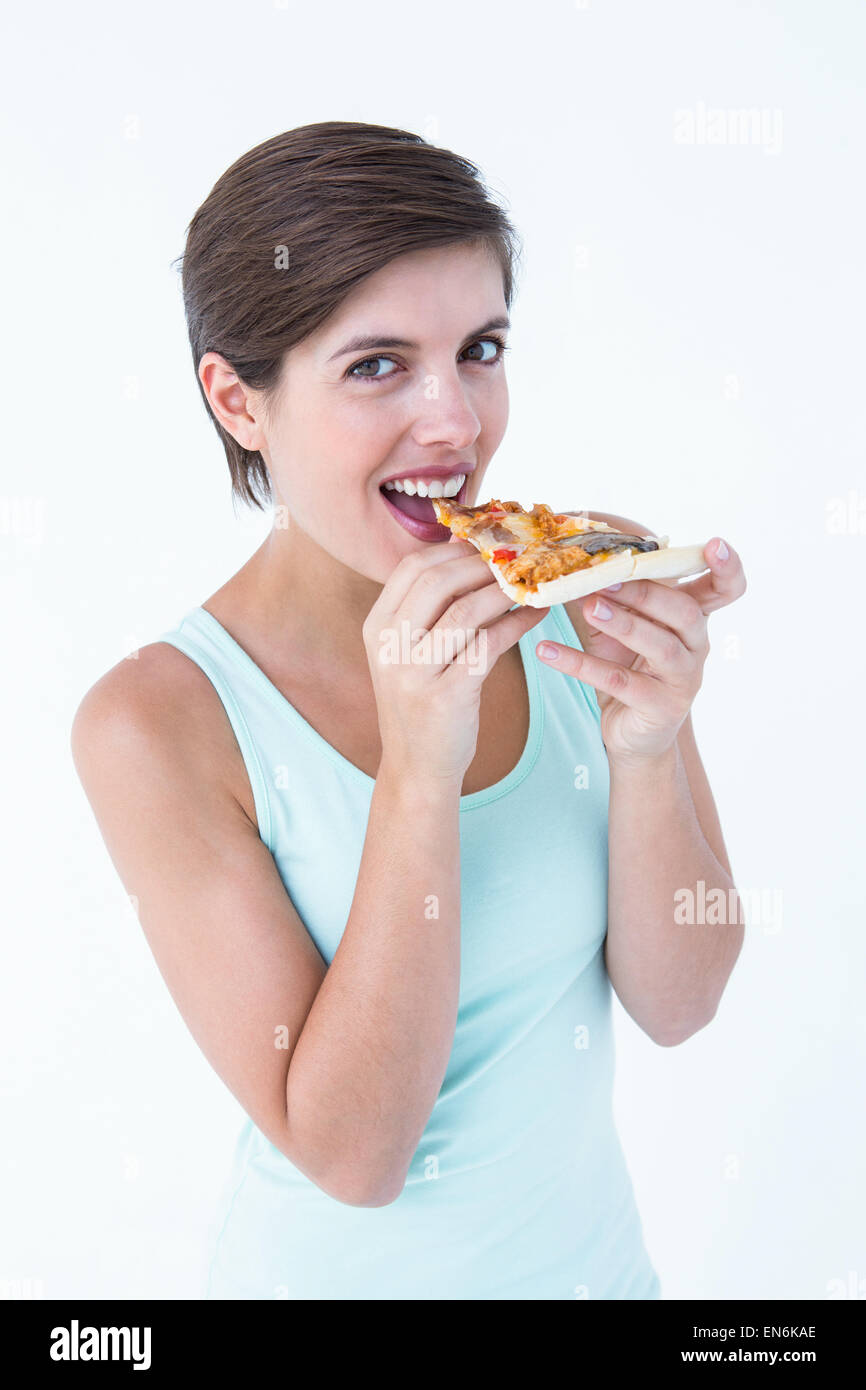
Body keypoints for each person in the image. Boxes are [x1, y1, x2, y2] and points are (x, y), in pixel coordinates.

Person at [71, 121, 747, 1300]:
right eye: (377, 364)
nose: (455, 423)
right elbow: (352, 1153)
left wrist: (645, 748)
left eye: (478, 349)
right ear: (237, 400)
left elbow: (680, 1005)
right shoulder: (157, 721)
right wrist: (417, 771)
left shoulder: (568, 605)